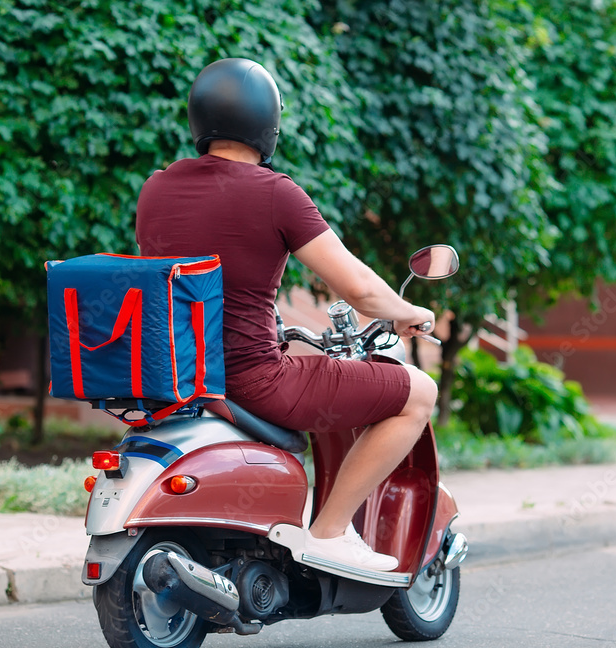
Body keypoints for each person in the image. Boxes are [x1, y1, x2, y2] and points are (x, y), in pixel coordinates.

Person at [135, 58, 437, 572]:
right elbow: (360, 289)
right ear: (267, 123)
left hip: (178, 374)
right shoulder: (276, 193)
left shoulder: (156, 187)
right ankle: (330, 532)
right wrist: (409, 311)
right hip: (254, 378)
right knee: (418, 393)